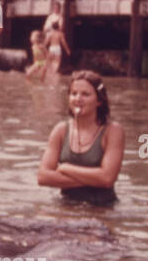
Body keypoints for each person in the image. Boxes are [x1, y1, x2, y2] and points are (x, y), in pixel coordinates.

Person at [37, 70, 124, 205]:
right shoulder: (60, 130)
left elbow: (107, 179)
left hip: (102, 208)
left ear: (99, 101)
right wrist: (94, 179)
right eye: (74, 93)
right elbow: (43, 177)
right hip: (65, 205)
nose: (78, 99)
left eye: (85, 94)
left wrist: (66, 168)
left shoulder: (113, 131)